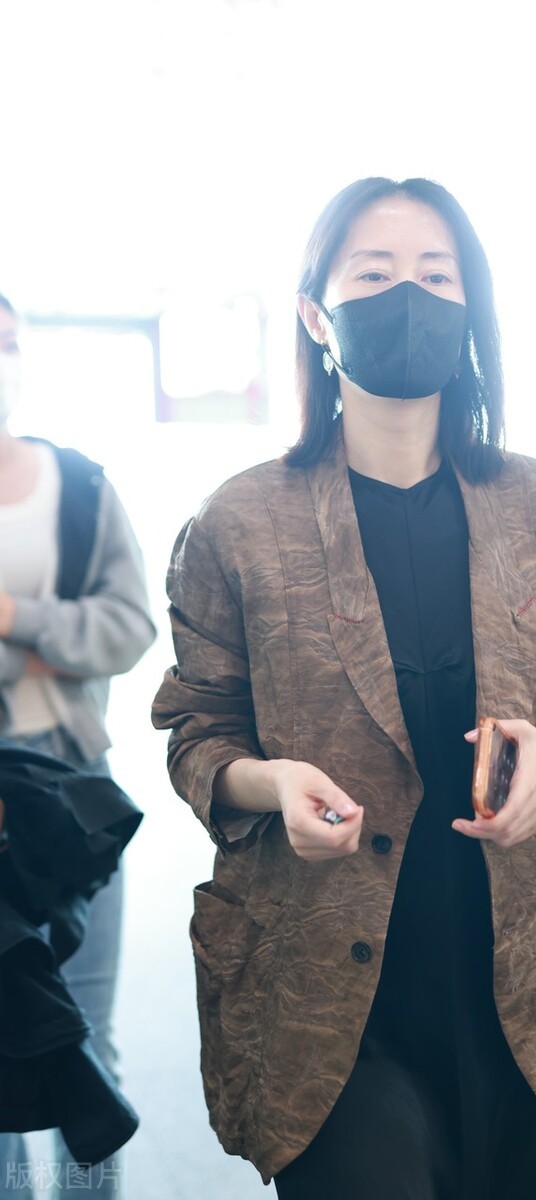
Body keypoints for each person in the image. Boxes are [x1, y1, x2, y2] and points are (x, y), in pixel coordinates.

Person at [151, 175, 536, 1200]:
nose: (409, 294)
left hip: (514, 977)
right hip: (324, 987)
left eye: (436, 275)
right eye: (375, 272)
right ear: (318, 312)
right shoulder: (242, 522)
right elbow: (195, 733)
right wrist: (270, 785)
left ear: (471, 308)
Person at [0, 292, 156, 1200]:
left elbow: (127, 625)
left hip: (65, 796)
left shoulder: (80, 485)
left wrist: (18, 616)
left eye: (12, 343)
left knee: (84, 1035)